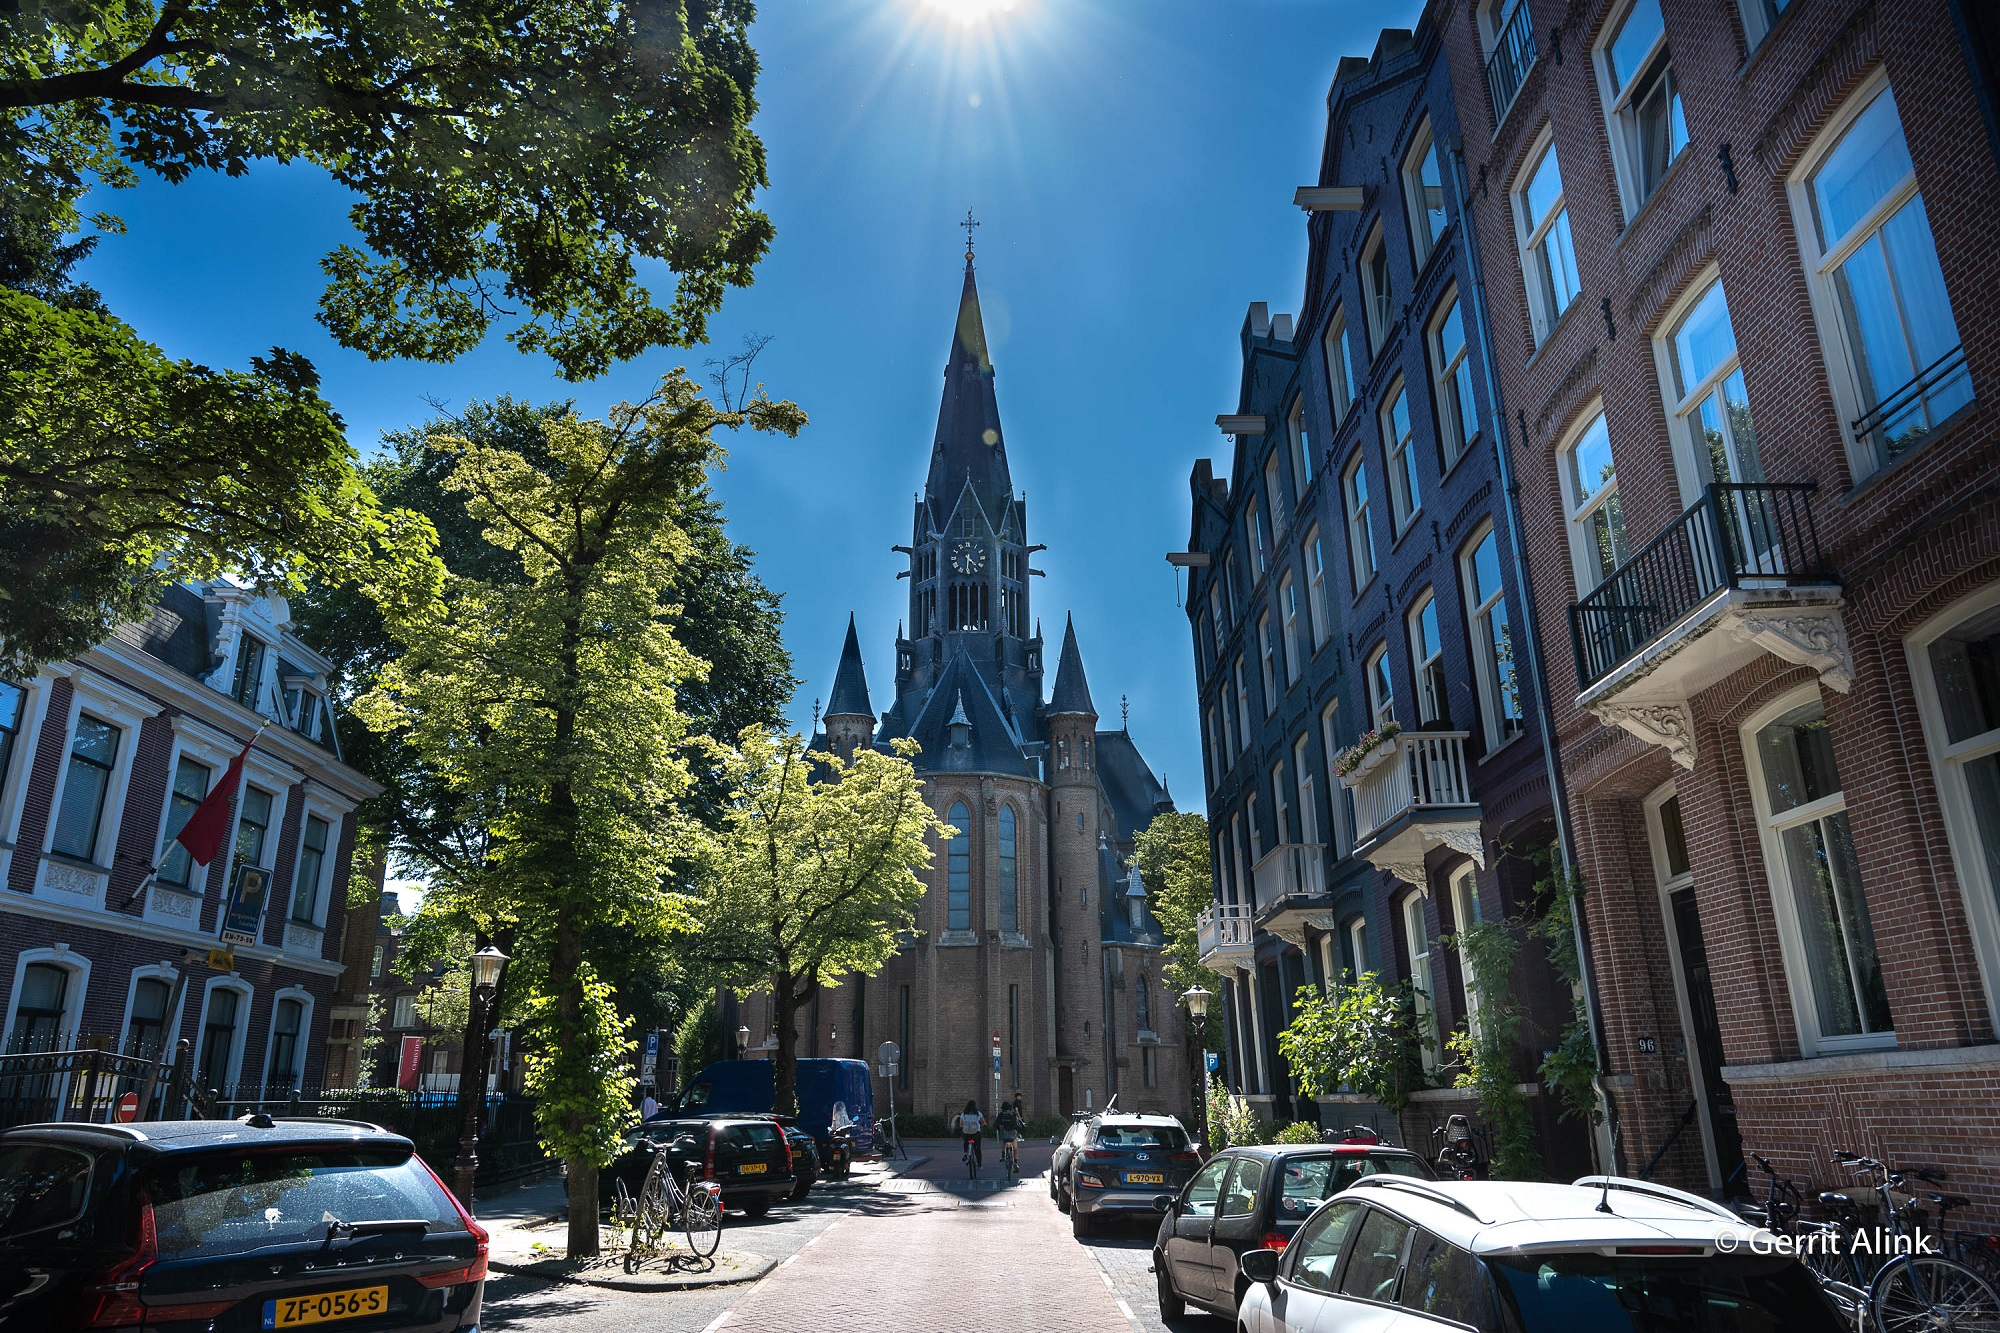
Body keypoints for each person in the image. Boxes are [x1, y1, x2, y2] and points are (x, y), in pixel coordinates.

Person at [953, 1099, 984, 1173]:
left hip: (966, 1133)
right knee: (978, 1149)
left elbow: (961, 1123)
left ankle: (965, 1153)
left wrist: (962, 1126)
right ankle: (979, 1166)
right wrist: (983, 1125)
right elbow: (982, 1122)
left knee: (966, 1141)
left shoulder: (964, 1114)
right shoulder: (978, 1113)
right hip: (976, 1133)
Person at [995, 1099, 1022, 1175]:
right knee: (1015, 1148)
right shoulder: (1013, 1114)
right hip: (1012, 1133)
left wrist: (997, 1127)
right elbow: (1018, 1124)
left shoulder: (1001, 1114)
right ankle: (1016, 1163)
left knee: (1004, 1142)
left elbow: (996, 1123)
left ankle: (1003, 1156)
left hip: (1005, 1133)